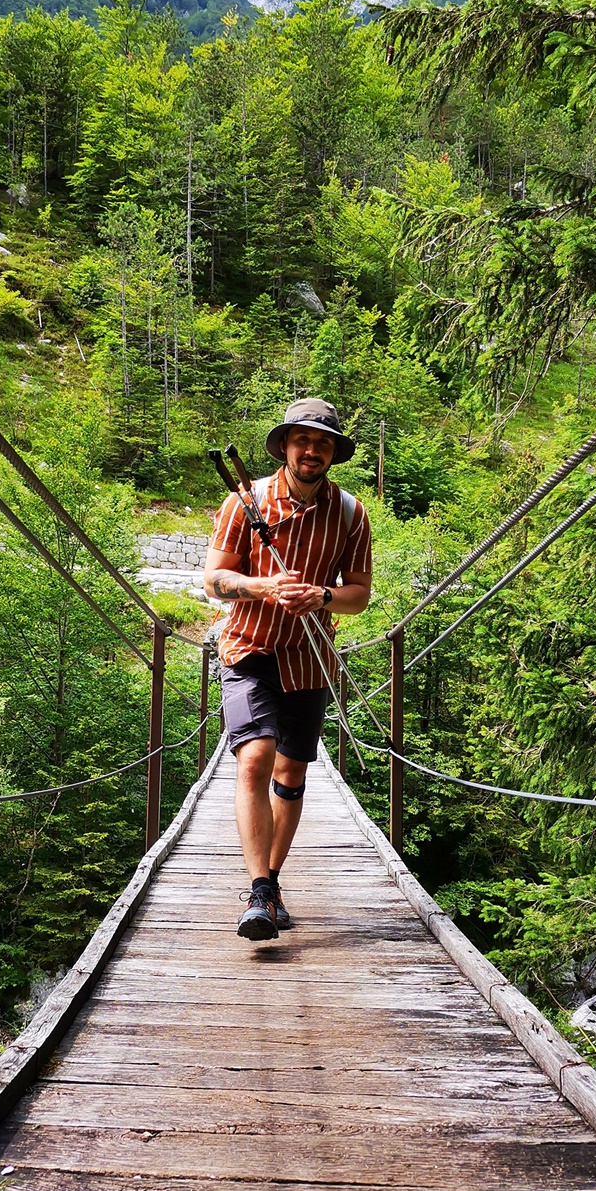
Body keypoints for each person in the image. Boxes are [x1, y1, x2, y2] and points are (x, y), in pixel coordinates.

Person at [203, 398, 373, 940]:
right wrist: (262, 587)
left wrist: (321, 596)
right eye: (303, 440)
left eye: (323, 442)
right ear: (285, 445)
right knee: (254, 757)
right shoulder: (244, 501)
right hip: (249, 646)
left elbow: (359, 596)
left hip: (310, 657)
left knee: (292, 773)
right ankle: (256, 893)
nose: (312, 450)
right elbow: (214, 581)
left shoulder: (350, 513)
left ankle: (272, 882)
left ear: (333, 454)